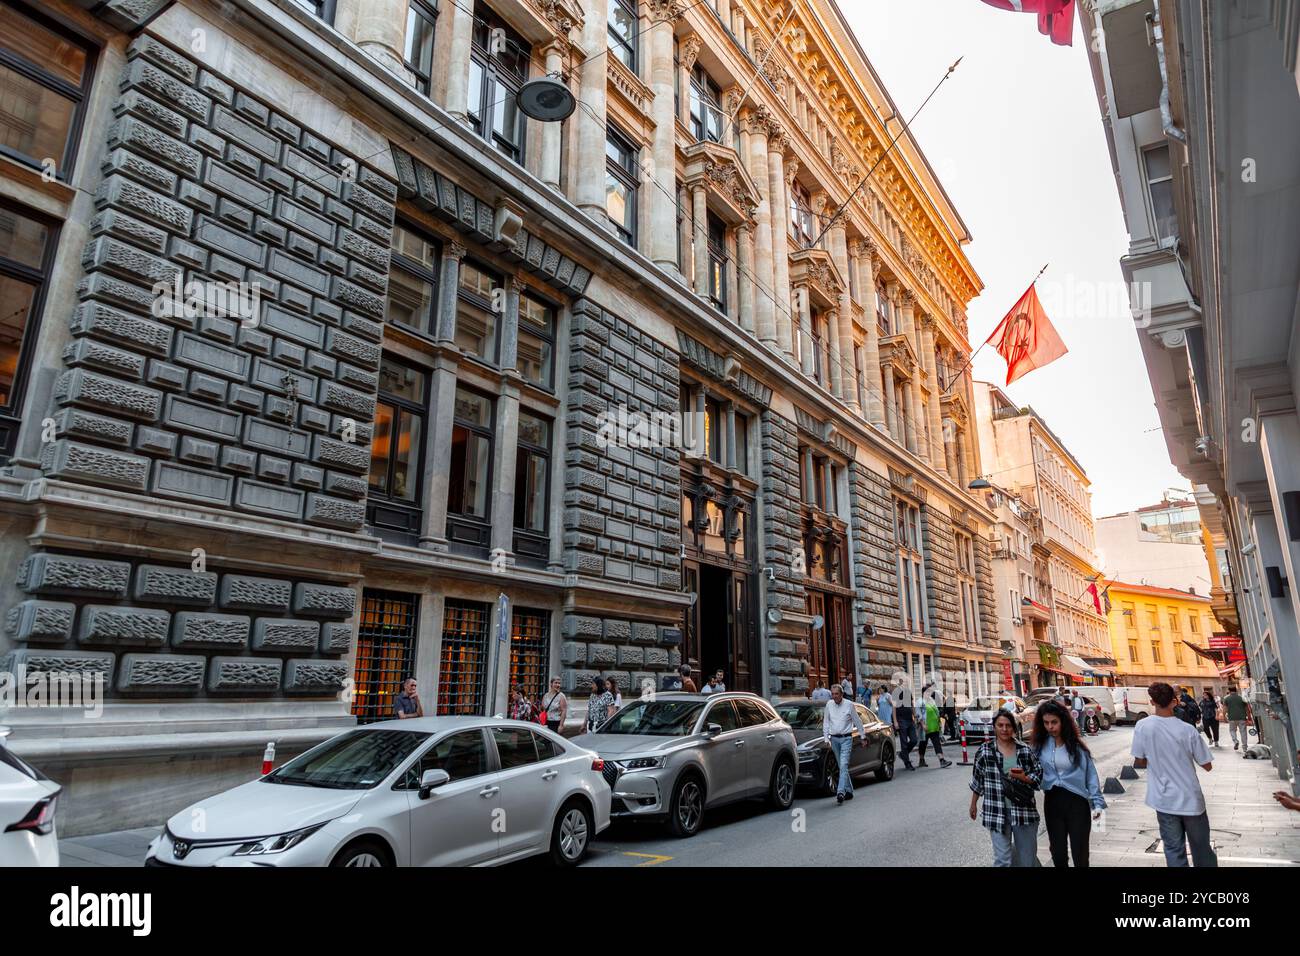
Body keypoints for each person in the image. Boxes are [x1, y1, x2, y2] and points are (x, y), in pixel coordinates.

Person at [1131, 681, 1217, 867]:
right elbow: (1207, 765)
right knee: (1202, 849)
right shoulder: (1188, 730)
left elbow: (1140, 760)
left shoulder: (1142, 726)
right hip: (1191, 799)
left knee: (1173, 849)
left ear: (1152, 702)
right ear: (1174, 701)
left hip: (1163, 799)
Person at [1032, 701, 1105, 867]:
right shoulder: (1038, 747)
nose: (1050, 727)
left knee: (1080, 853)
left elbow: (1090, 775)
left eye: (1054, 722)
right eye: (1046, 723)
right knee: (1057, 853)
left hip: (1077, 802)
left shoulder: (1076, 746)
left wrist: (1097, 803)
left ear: (1063, 721)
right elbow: (1031, 771)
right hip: (1052, 802)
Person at [970, 709, 1043, 866]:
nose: (1004, 729)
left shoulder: (1025, 750)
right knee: (1002, 860)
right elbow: (977, 780)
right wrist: (973, 804)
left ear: (1014, 728)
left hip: (1024, 812)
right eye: (1000, 725)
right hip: (996, 812)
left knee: (1027, 860)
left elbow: (1038, 777)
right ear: (994, 727)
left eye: (1008, 725)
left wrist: (1024, 778)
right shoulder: (984, 751)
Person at [823, 682, 866, 805]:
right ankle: (849, 790)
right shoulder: (829, 704)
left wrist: (863, 736)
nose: (834, 696)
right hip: (834, 740)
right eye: (833, 694)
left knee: (843, 765)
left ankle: (840, 792)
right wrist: (826, 738)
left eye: (837, 694)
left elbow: (857, 721)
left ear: (842, 694)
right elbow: (826, 722)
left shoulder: (849, 705)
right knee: (841, 765)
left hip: (846, 739)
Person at [916, 692, 953, 768]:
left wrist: (939, 722)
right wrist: (923, 725)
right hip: (925, 728)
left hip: (934, 727)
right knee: (923, 744)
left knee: (937, 744)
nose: (928, 694)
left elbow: (937, 712)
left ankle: (942, 760)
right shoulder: (919, 702)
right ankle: (921, 760)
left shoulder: (931, 700)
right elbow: (918, 715)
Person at [894, 681, 917, 772]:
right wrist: (895, 721)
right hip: (901, 720)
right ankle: (907, 762)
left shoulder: (908, 692)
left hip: (909, 719)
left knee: (914, 740)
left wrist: (915, 715)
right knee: (903, 742)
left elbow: (912, 705)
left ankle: (903, 754)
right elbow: (894, 707)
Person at [1222, 685, 1251, 751]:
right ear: (1236, 690)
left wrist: (1224, 717)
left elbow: (1224, 709)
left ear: (1229, 691)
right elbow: (1247, 708)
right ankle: (1244, 747)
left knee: (1232, 730)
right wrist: (1249, 717)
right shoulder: (1242, 698)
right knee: (1243, 732)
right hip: (1242, 718)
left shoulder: (1226, 698)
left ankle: (1235, 741)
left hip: (1232, 718)